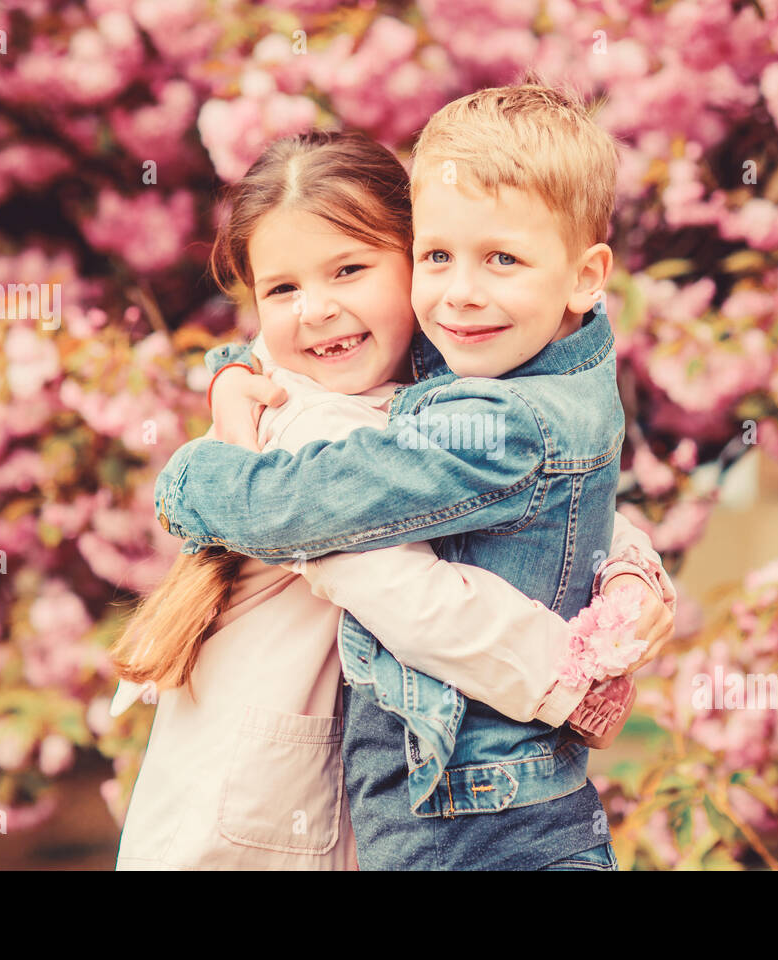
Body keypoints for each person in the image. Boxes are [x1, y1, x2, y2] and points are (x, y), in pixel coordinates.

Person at [113, 127, 675, 870]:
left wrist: (630, 562)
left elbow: (527, 492)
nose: (314, 310)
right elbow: (411, 594)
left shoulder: (429, 398)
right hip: (248, 827)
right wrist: (568, 677)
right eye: (282, 288)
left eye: (348, 269)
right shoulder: (309, 425)